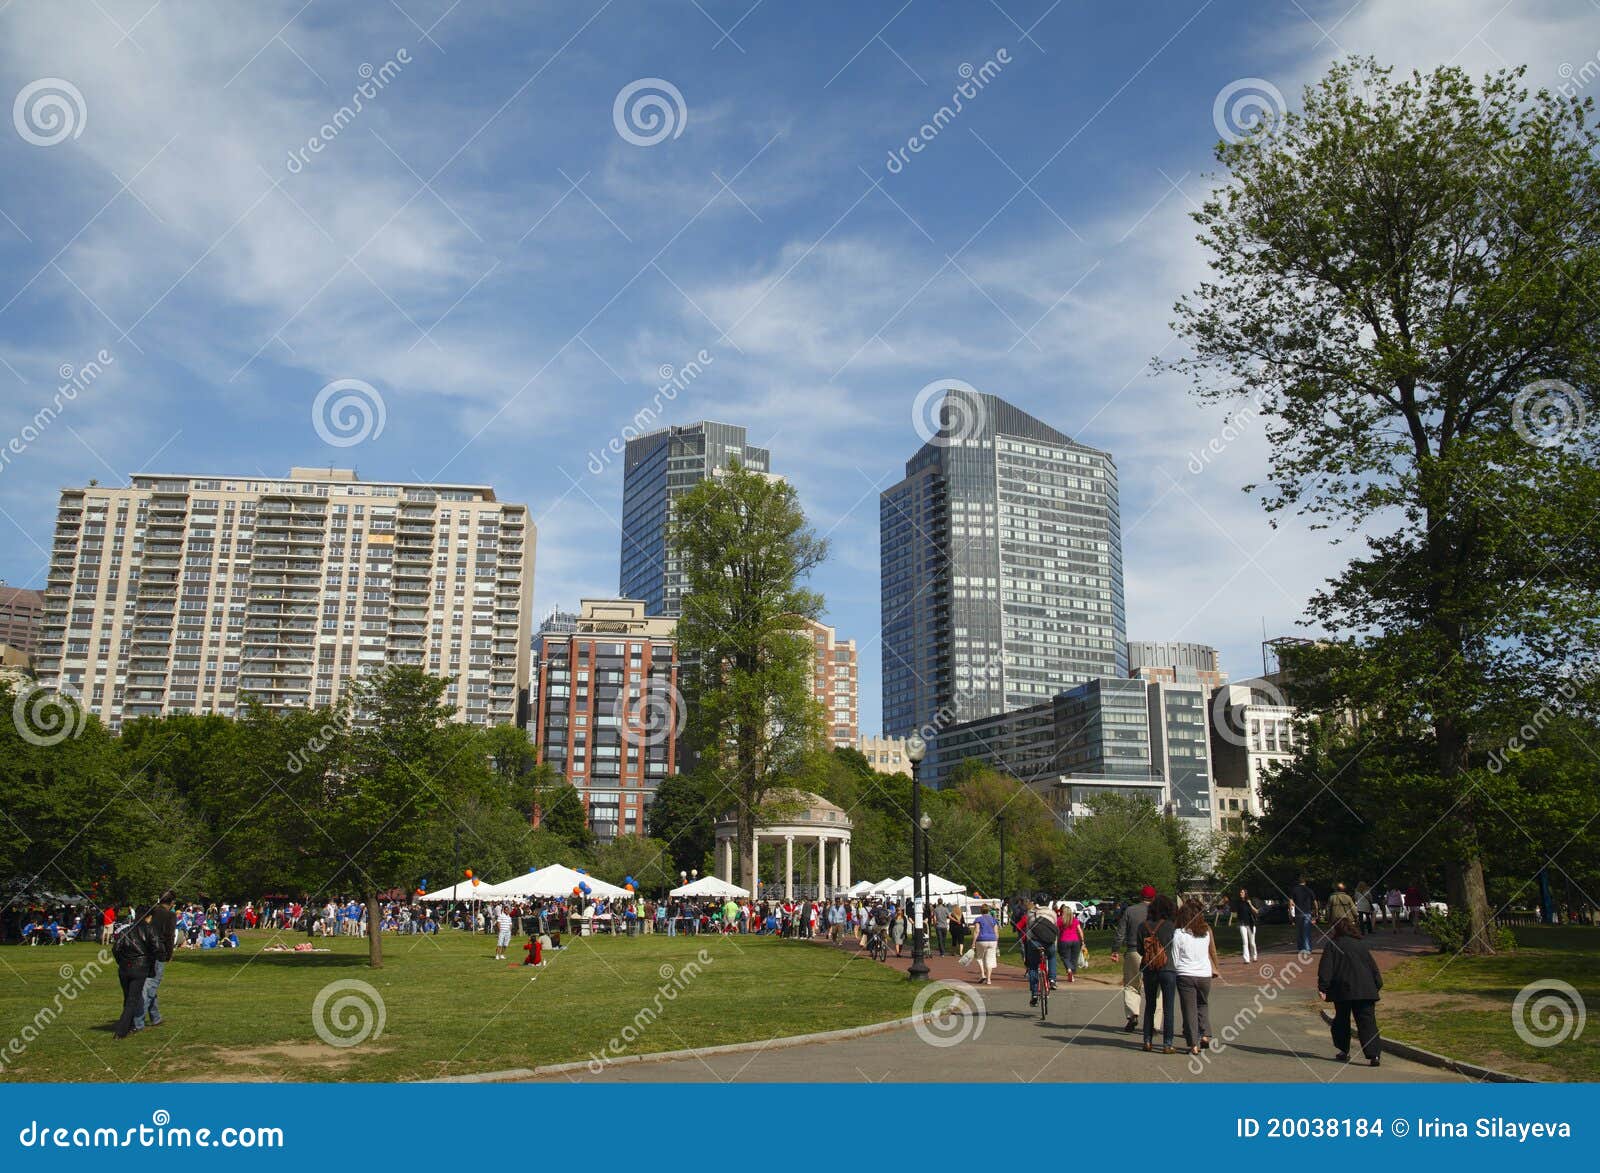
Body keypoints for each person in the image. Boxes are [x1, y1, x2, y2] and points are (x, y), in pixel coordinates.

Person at [1317, 917, 1384, 1066]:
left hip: (1343, 990)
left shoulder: (1333, 945)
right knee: (1367, 1022)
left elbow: (1326, 968)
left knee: (1341, 1020)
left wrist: (1323, 987)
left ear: (1336, 930)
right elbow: (1372, 967)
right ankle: (1374, 1055)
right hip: (1366, 990)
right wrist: (1376, 985)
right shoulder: (1361, 944)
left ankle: (1343, 1050)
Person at [1136, 894, 1178, 1053]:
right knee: (1168, 1007)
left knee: (1150, 1005)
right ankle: (1168, 1043)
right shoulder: (1170, 926)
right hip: (1167, 968)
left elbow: (1140, 949)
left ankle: (1147, 1040)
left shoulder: (1142, 926)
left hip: (1149, 969)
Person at [1172, 898, 1214, 1055]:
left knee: (1189, 1009)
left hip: (1186, 974)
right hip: (1204, 974)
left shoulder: (1179, 934)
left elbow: (1175, 958)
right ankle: (1205, 1034)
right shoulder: (1206, 933)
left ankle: (1193, 1043)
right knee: (1202, 1004)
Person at [1110, 885, 1155, 1032]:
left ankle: (1132, 1014)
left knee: (1131, 984)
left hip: (1134, 950)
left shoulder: (1130, 910)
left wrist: (1115, 949)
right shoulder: (1159, 911)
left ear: (1140, 896)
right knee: (1156, 988)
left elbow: (1120, 931)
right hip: (1155, 952)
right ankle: (1155, 1022)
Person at [112, 910, 160, 1040]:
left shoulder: (125, 930)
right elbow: (157, 947)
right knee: (132, 1000)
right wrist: (151, 961)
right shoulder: (149, 929)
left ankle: (130, 1025)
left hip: (124, 967)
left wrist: (121, 961)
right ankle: (121, 1031)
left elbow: (115, 948)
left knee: (127, 998)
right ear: (148, 917)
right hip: (140, 966)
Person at [136, 891, 177, 1033]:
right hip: (158, 952)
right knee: (151, 986)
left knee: (149, 983)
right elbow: (169, 936)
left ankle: (155, 1017)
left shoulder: (152, 911)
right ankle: (138, 1022)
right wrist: (169, 954)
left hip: (143, 950)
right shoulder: (170, 915)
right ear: (171, 903)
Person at [1288, 876, 1318, 953]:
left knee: (1299, 931)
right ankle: (1307, 948)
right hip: (1307, 912)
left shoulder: (1294, 890)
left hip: (1298, 913)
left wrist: (1291, 914)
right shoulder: (1309, 890)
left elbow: (1290, 903)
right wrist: (1316, 913)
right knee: (1306, 931)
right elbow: (1315, 903)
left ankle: (1301, 948)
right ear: (1305, 882)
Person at [971, 903, 999, 985]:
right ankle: (989, 979)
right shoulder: (993, 919)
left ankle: (983, 974)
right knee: (990, 959)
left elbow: (976, 931)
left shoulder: (978, 919)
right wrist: (996, 942)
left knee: (980, 958)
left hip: (981, 940)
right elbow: (996, 932)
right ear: (989, 910)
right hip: (992, 940)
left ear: (981, 910)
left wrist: (973, 943)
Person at [1057, 903, 1084, 982]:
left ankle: (1069, 969)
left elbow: (1056, 930)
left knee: (1065, 957)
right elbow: (1080, 931)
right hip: (1075, 941)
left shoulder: (1060, 920)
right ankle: (1072, 973)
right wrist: (1082, 941)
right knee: (1074, 958)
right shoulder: (1075, 920)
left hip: (1064, 940)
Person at [1236, 886, 1261, 963]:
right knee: (1245, 942)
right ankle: (1246, 959)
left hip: (1251, 924)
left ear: (1245, 893)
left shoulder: (1250, 901)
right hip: (1242, 924)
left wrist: (1250, 904)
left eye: (1242, 892)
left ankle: (1254, 956)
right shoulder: (1239, 903)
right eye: (1240, 892)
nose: (1241, 893)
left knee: (1252, 942)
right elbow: (1239, 914)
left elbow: (1256, 912)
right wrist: (1238, 923)